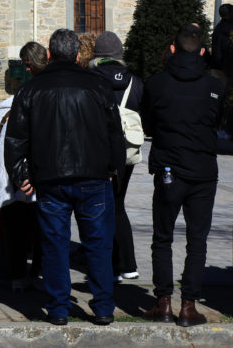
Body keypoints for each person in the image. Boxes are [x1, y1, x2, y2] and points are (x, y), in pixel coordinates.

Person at [5, 29, 124, 326]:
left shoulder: (31, 89)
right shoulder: (97, 86)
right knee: (97, 243)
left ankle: (58, 307)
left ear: (49, 54)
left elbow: (16, 138)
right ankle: (103, 306)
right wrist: (113, 169)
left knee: (55, 244)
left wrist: (20, 174)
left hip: (51, 177)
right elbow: (115, 134)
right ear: (77, 54)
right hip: (92, 176)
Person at [141, 24, 223, 327]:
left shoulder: (156, 83)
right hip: (202, 171)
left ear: (172, 49)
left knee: (162, 237)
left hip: (169, 169)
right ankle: (189, 305)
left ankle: (163, 302)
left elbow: (148, 123)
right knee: (197, 239)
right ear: (202, 51)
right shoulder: (214, 86)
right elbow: (218, 121)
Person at [0, 41, 46, 291]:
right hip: (39, 176)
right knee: (42, 227)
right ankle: (38, 274)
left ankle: (18, 276)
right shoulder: (47, 100)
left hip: (13, 177)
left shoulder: (6, 108)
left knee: (16, 228)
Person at [88, 30, 143, 282]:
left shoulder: (89, 78)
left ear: (97, 55)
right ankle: (128, 264)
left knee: (98, 208)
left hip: (97, 151)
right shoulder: (136, 82)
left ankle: (107, 268)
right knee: (118, 204)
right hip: (127, 152)